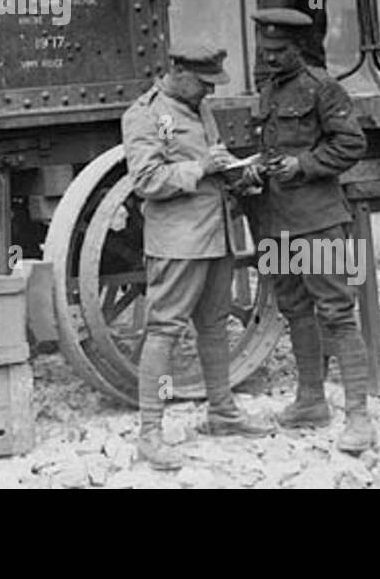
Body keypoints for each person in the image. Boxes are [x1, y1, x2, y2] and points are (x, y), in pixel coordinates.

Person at [121, 42, 275, 471]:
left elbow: (208, 162)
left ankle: (222, 413)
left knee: (213, 324)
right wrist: (203, 167)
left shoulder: (198, 107)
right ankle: (149, 434)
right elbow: (147, 180)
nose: (209, 91)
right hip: (178, 242)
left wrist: (238, 171)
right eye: (203, 83)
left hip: (216, 235)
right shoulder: (144, 114)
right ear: (178, 71)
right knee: (164, 330)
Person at [241, 8, 374, 455]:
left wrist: (303, 165)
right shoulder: (268, 91)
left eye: (279, 51)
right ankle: (311, 401)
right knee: (295, 308)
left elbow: (351, 144)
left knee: (335, 311)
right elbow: (270, 148)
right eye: (266, 49)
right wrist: (257, 171)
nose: (271, 57)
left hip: (316, 221)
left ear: (299, 48)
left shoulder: (323, 89)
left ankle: (359, 416)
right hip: (276, 223)